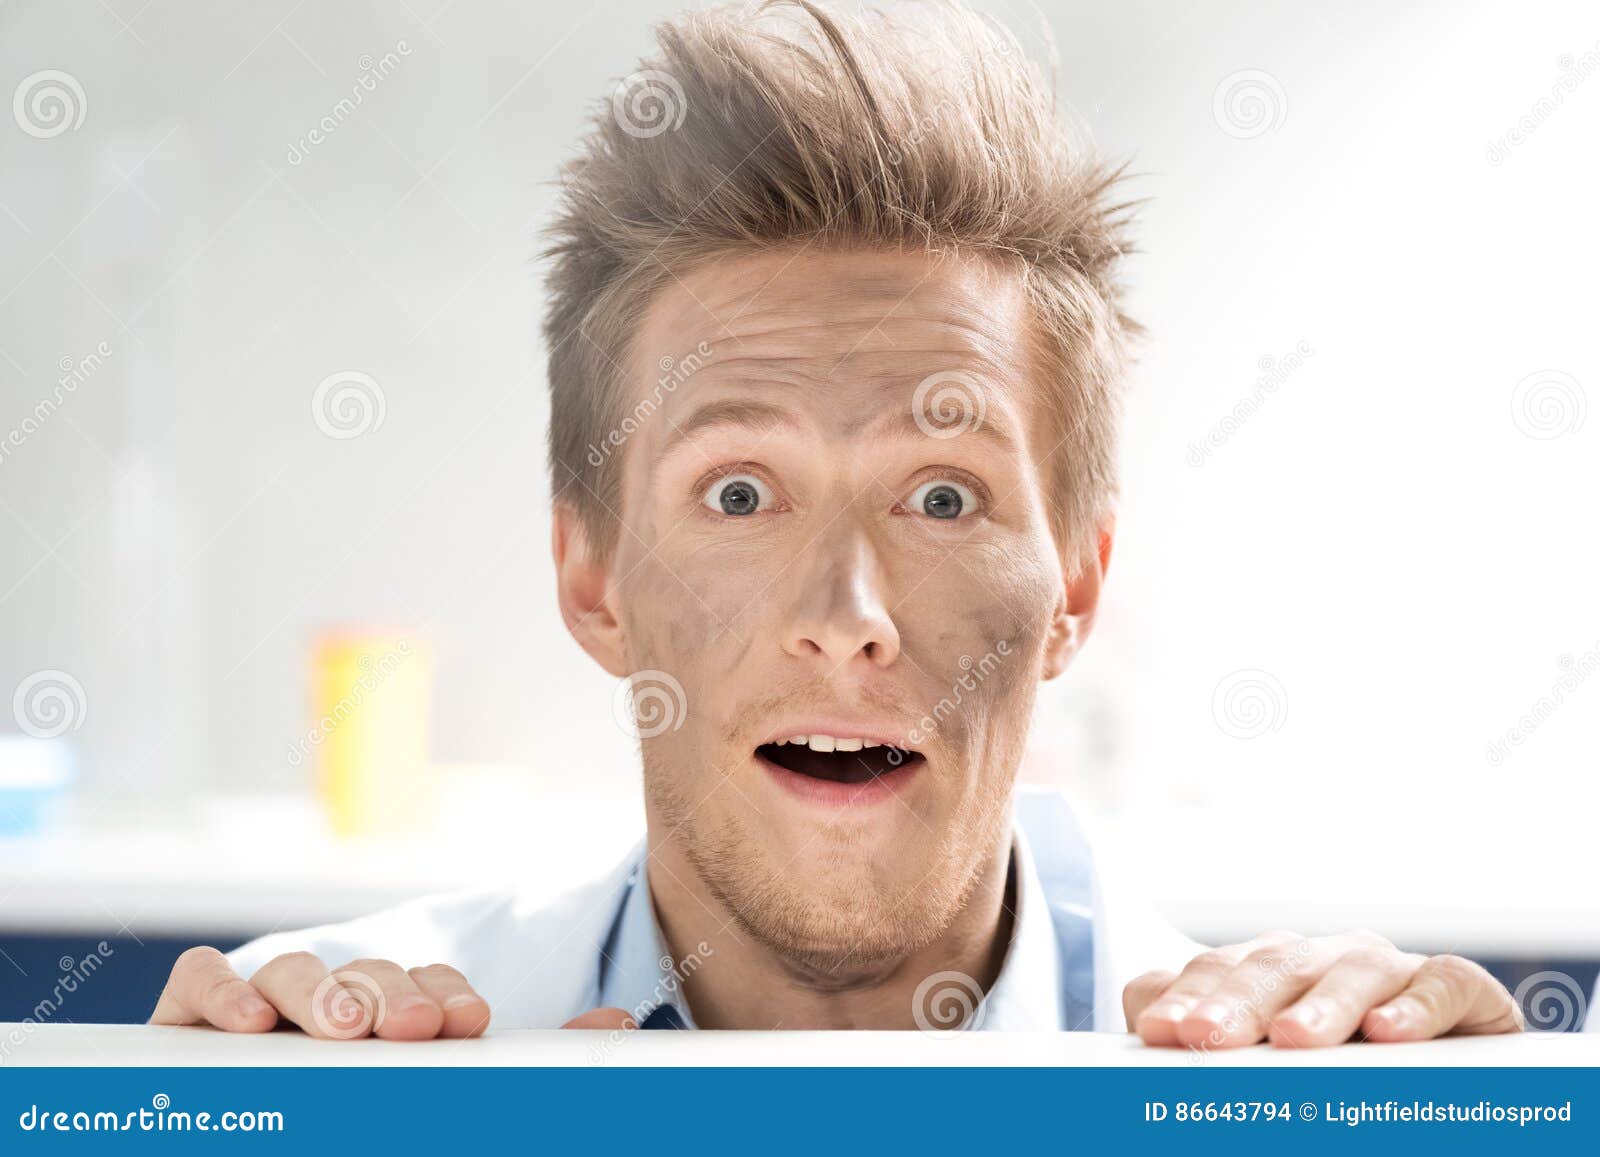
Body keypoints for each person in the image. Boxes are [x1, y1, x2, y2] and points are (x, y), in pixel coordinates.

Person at [150, 0, 1523, 1045]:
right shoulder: (370, 1057)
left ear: (1077, 591)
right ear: (591, 573)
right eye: (740, 491)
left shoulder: (1275, 1081)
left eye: (943, 495)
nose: (847, 620)